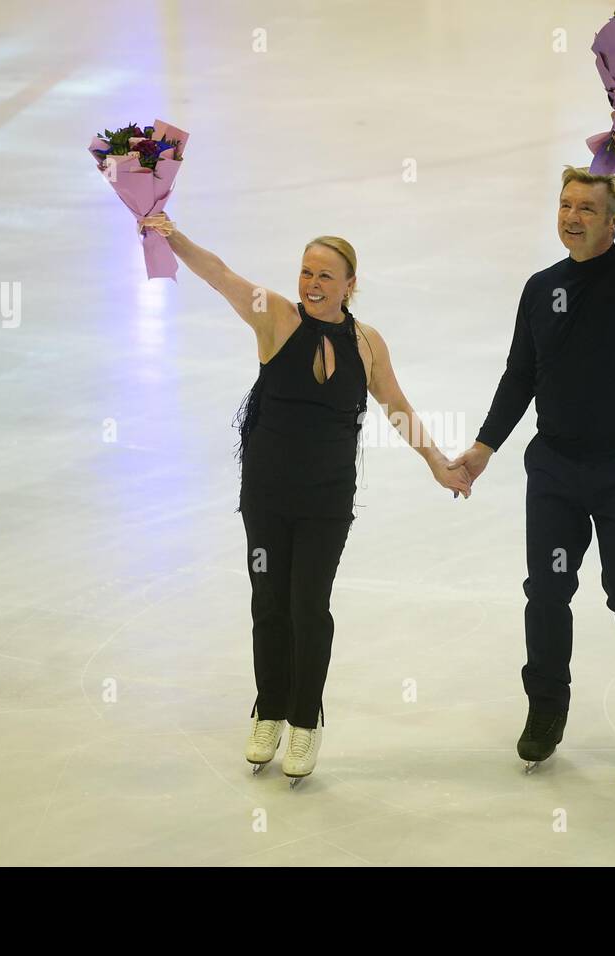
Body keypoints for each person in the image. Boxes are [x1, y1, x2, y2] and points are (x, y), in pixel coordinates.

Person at [138, 213, 472, 784]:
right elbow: (218, 274)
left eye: (325, 276)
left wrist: (437, 462)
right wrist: (171, 236)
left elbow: (396, 406)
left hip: (327, 498)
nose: (312, 284)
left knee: (308, 606)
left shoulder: (367, 343)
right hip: (267, 492)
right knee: (269, 602)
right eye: (305, 272)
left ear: (349, 285)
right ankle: (268, 710)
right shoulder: (275, 317)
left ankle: (304, 718)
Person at [448, 100, 615, 784]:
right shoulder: (541, 288)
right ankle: (546, 710)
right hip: (554, 471)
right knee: (546, 592)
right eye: (566, 204)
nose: (573, 216)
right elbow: (521, 374)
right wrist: (484, 447)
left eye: (588, 208)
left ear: (613, 220)